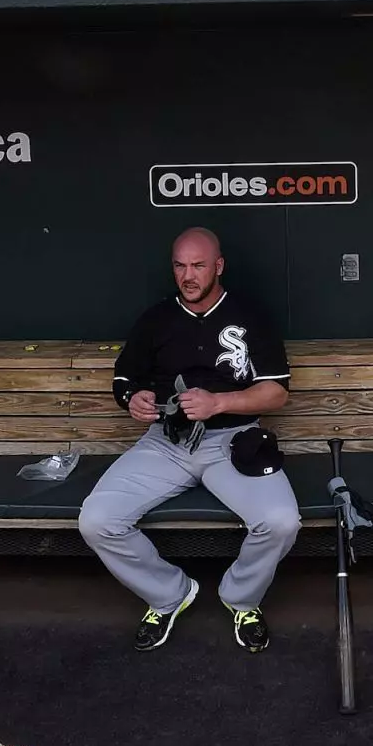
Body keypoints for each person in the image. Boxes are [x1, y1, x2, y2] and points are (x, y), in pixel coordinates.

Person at [78, 226, 300, 654]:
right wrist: (133, 399)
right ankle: (168, 594)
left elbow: (277, 392)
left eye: (198, 265)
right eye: (180, 266)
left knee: (280, 522)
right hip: (167, 442)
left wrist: (219, 402)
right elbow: (124, 378)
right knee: (97, 520)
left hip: (234, 440)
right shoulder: (157, 318)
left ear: (218, 266)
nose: (189, 275)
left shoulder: (251, 315)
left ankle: (241, 598)